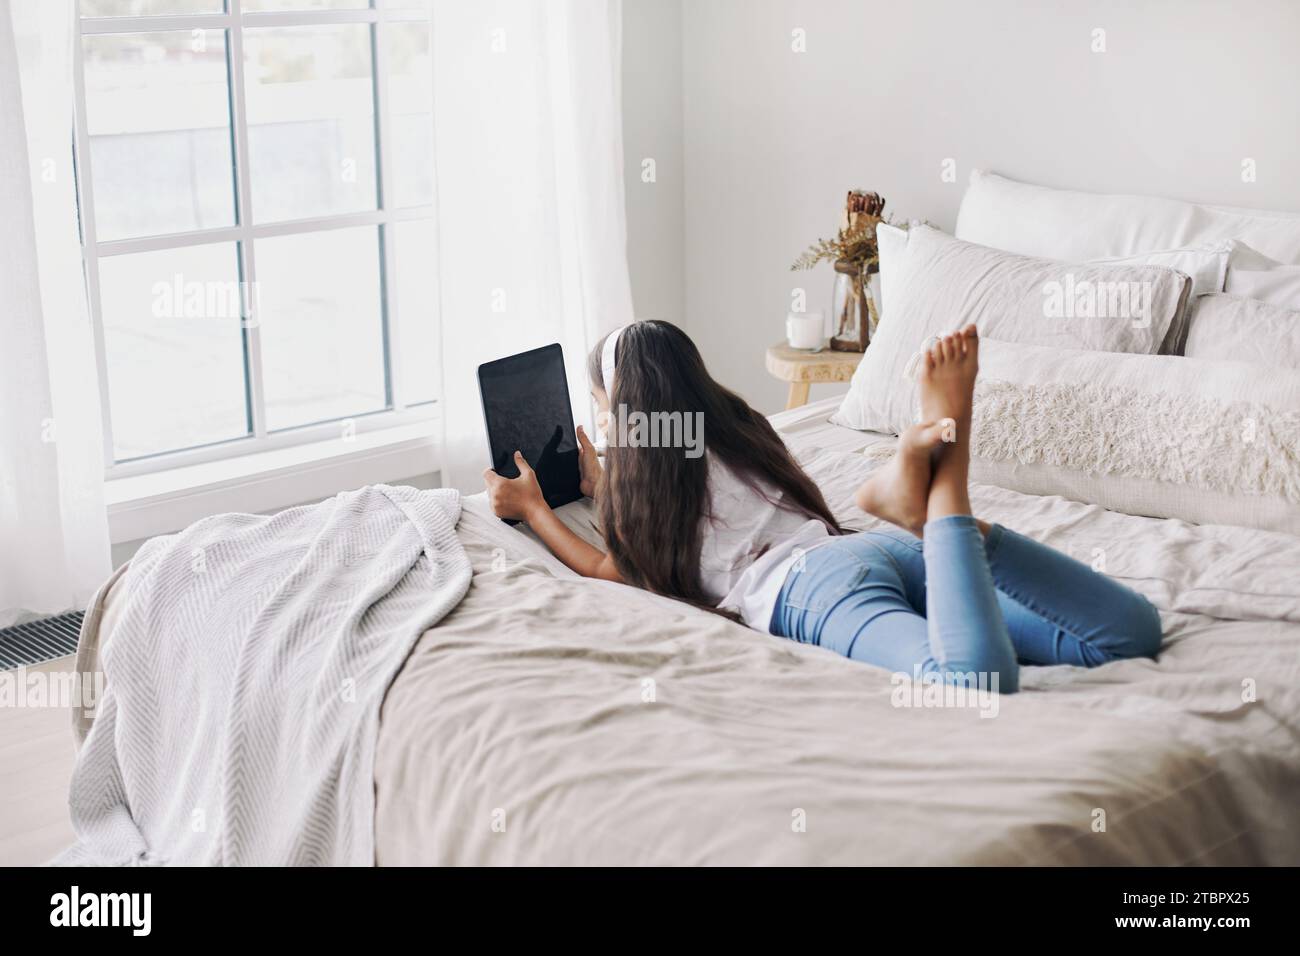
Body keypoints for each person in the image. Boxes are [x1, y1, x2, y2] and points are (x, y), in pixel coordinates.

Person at [483, 320, 1162, 693]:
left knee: (973, 679)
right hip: (864, 547)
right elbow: (682, 470)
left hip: (808, 592)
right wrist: (608, 480)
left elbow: (610, 569)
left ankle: (945, 482)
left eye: (607, 413)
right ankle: (929, 518)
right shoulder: (738, 427)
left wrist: (539, 511)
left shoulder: (644, 497)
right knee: (1125, 635)